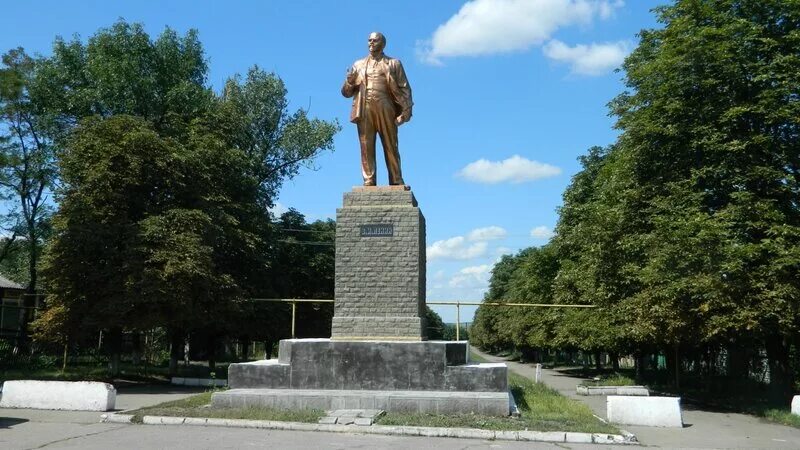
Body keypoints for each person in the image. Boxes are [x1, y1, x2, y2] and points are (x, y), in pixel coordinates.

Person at [342, 32, 413, 186]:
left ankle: (396, 179)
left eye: (375, 40)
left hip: (386, 106)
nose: (371, 43)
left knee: (390, 144)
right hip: (364, 107)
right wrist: (349, 82)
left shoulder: (394, 63)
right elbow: (346, 93)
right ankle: (369, 179)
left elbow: (405, 89)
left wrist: (406, 113)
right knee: (366, 145)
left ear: (383, 44)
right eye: (369, 40)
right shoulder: (358, 65)